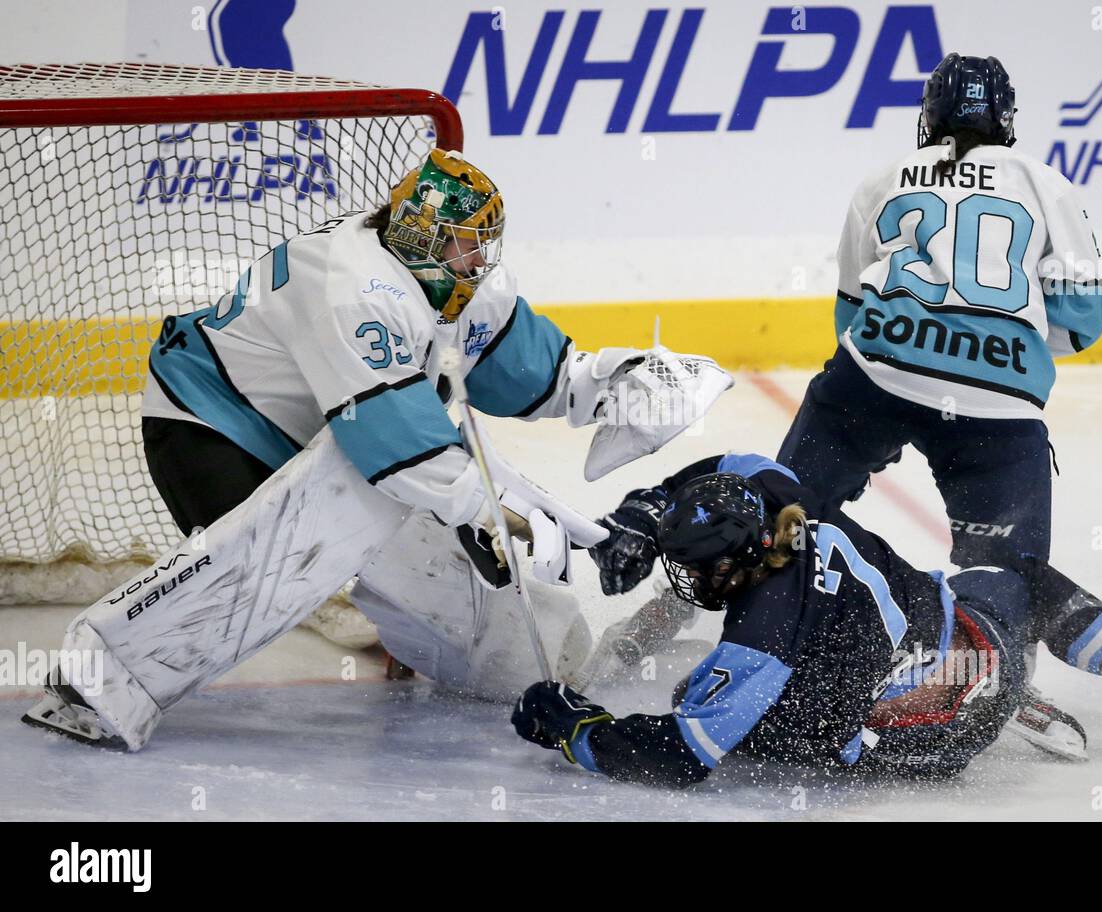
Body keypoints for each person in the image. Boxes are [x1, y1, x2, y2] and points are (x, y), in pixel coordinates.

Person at [22, 148, 729, 750]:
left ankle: (451, 647)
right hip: (212, 420)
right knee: (277, 556)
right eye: (463, 242)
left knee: (436, 548)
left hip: (330, 429)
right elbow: (396, 450)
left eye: (486, 241)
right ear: (421, 238)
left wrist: (616, 388)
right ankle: (96, 681)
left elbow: (534, 376)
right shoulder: (352, 286)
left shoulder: (464, 283)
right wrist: (495, 512)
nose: (477, 258)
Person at [769, 52, 1102, 759]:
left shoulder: (881, 180)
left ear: (929, 116)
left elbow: (849, 313)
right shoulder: (1047, 184)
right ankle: (975, 667)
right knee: (1002, 570)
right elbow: (1084, 321)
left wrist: (914, 342)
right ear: (1005, 120)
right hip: (997, 403)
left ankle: (771, 632)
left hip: (875, 375)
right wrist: (998, 344)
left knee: (788, 512)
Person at [513, 456, 1102, 787]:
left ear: (735, 566)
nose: (686, 577)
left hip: (941, 732)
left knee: (700, 709)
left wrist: (575, 726)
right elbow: (719, 467)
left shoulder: (766, 628)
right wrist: (646, 512)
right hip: (976, 643)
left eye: (694, 565)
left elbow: (681, 760)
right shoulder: (777, 494)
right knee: (1017, 572)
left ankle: (959, 705)